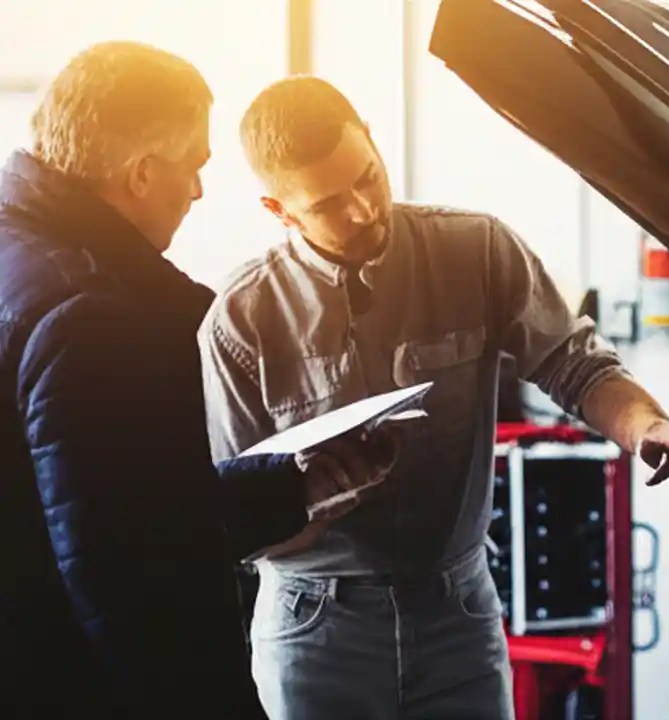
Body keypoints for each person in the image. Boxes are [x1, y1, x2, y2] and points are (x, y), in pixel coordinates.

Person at [199, 75, 669, 720]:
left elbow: (573, 362)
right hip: (317, 628)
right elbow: (236, 522)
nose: (362, 209)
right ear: (279, 211)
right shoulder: (239, 321)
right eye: (330, 202)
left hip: (458, 611)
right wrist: (319, 498)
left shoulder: (477, 250)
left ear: (372, 138)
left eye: (367, 175)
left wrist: (648, 427)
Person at [0, 43, 394, 719]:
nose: (198, 191)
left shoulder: (20, 260)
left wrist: (288, 485)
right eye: (194, 167)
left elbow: (104, 511)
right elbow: (137, 590)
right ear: (142, 173)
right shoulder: (92, 317)